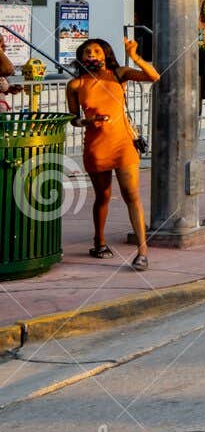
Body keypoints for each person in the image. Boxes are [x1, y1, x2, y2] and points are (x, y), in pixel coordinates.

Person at [66, 38, 157, 270]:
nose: (91, 54)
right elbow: (73, 118)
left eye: (96, 51)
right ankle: (99, 241)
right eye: (87, 52)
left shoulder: (119, 74)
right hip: (96, 148)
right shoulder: (75, 85)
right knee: (103, 196)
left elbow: (153, 76)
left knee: (132, 196)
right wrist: (87, 121)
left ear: (105, 54)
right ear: (81, 57)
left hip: (123, 145)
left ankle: (142, 251)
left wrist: (135, 56)